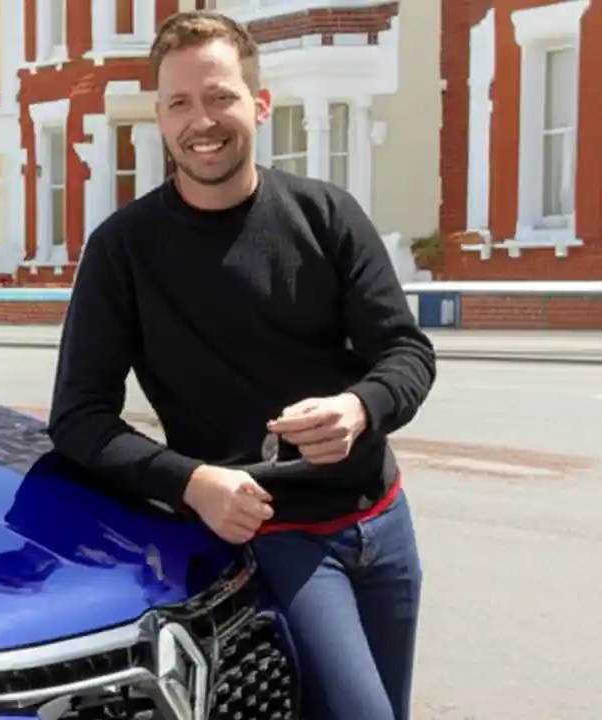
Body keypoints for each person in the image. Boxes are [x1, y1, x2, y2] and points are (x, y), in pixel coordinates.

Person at [45, 10, 437, 720]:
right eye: (181, 103)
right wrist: (191, 481)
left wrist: (359, 408)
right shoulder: (123, 251)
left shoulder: (326, 214)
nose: (204, 120)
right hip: (271, 536)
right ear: (161, 119)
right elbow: (78, 419)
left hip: (383, 521)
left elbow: (405, 353)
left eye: (221, 96)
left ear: (259, 104)